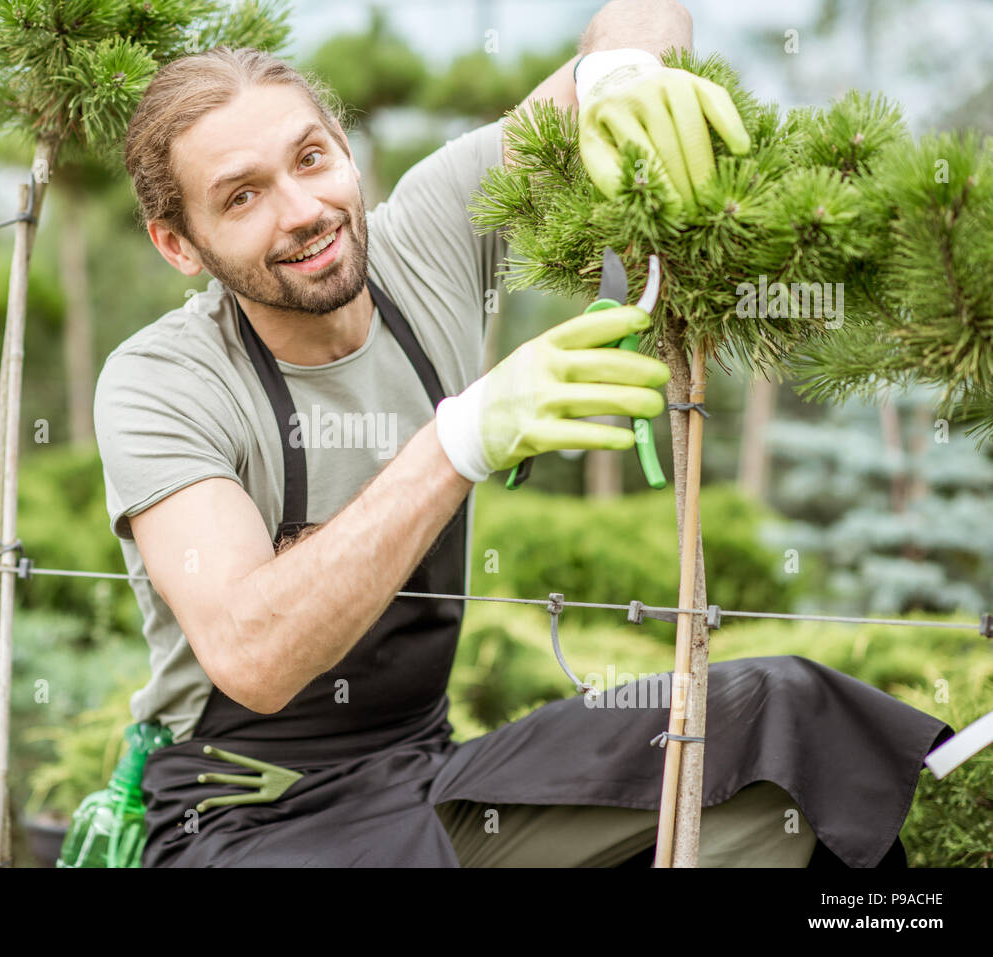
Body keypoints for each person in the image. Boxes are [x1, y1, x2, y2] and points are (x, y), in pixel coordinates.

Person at [94, 2, 952, 867]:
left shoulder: (425, 237)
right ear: (180, 244)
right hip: (243, 816)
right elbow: (254, 654)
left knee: (777, 723)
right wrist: (459, 439)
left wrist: (621, 79)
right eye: (242, 196)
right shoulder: (161, 383)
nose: (303, 209)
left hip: (421, 771)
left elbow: (640, 14)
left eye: (311, 159)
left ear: (346, 153)